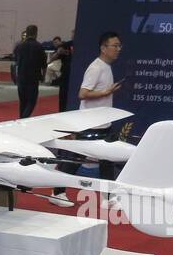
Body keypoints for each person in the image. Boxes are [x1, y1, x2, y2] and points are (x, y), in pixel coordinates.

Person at [52, 32, 122, 203]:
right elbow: (83, 94)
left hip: (103, 124)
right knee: (74, 160)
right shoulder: (96, 68)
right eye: (115, 45)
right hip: (89, 125)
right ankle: (57, 192)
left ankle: (108, 197)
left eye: (119, 46)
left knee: (107, 161)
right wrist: (106, 92)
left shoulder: (106, 67)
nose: (118, 49)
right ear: (103, 48)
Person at [12, 25, 47, 119]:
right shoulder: (39, 46)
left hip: (21, 77)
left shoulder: (19, 46)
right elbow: (44, 65)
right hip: (33, 78)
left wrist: (15, 77)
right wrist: (43, 77)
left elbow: (15, 63)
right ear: (36, 33)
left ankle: (21, 119)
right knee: (31, 101)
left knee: (23, 101)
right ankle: (23, 119)